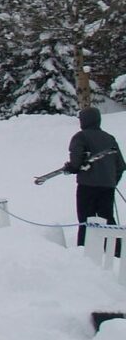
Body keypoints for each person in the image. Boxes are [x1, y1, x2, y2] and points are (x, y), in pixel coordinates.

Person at [66, 106, 124, 247]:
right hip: (107, 187)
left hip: (87, 186)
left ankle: (85, 250)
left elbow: (76, 162)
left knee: (86, 219)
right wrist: (112, 180)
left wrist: (71, 168)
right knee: (107, 218)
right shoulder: (110, 138)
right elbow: (121, 166)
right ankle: (116, 250)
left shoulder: (81, 137)